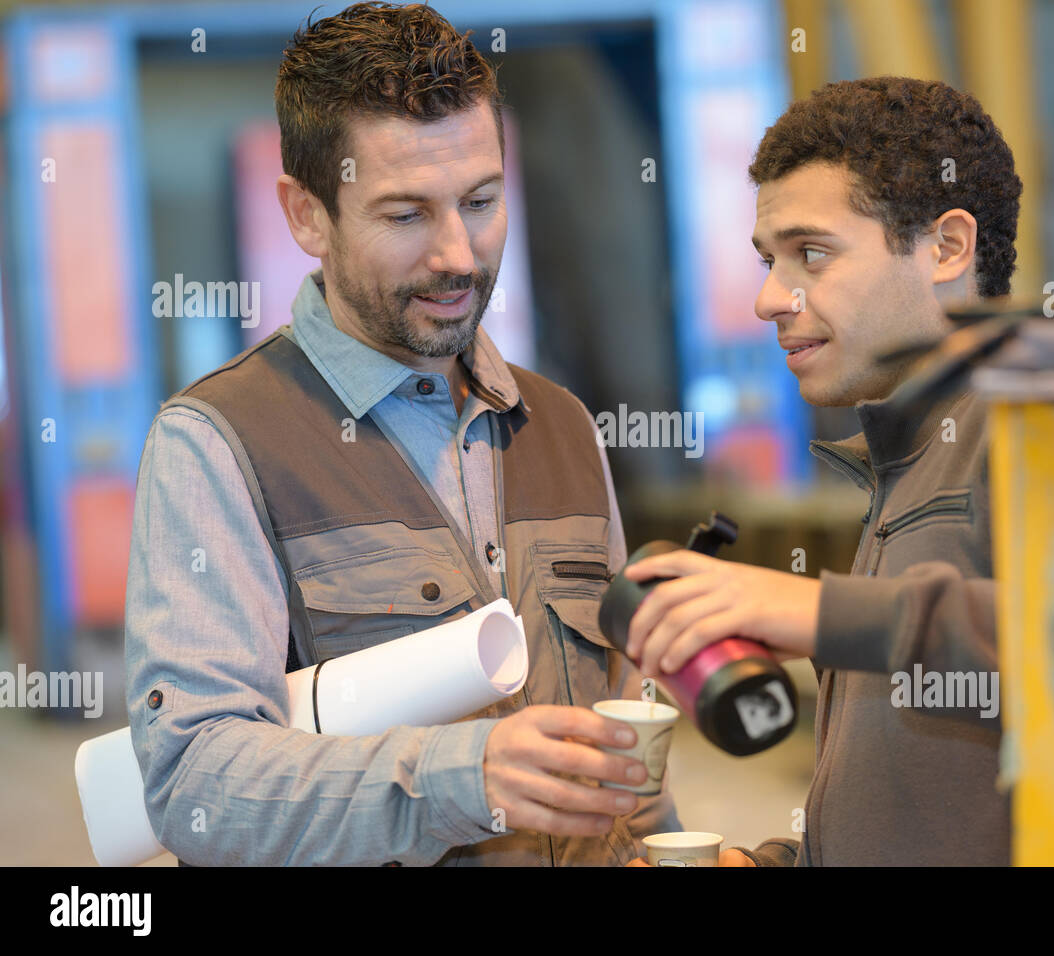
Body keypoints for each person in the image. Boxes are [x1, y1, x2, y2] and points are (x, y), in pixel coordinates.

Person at [124, 1, 678, 866]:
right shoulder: (215, 444)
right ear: (307, 216)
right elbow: (193, 781)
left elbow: (627, 741)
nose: (458, 253)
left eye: (483, 200)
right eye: (406, 214)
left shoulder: (562, 425)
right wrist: (468, 777)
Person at [625, 76, 1021, 866]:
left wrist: (817, 612)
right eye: (770, 260)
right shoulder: (904, 460)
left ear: (946, 247)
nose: (772, 297)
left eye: (812, 253)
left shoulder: (1036, 430)